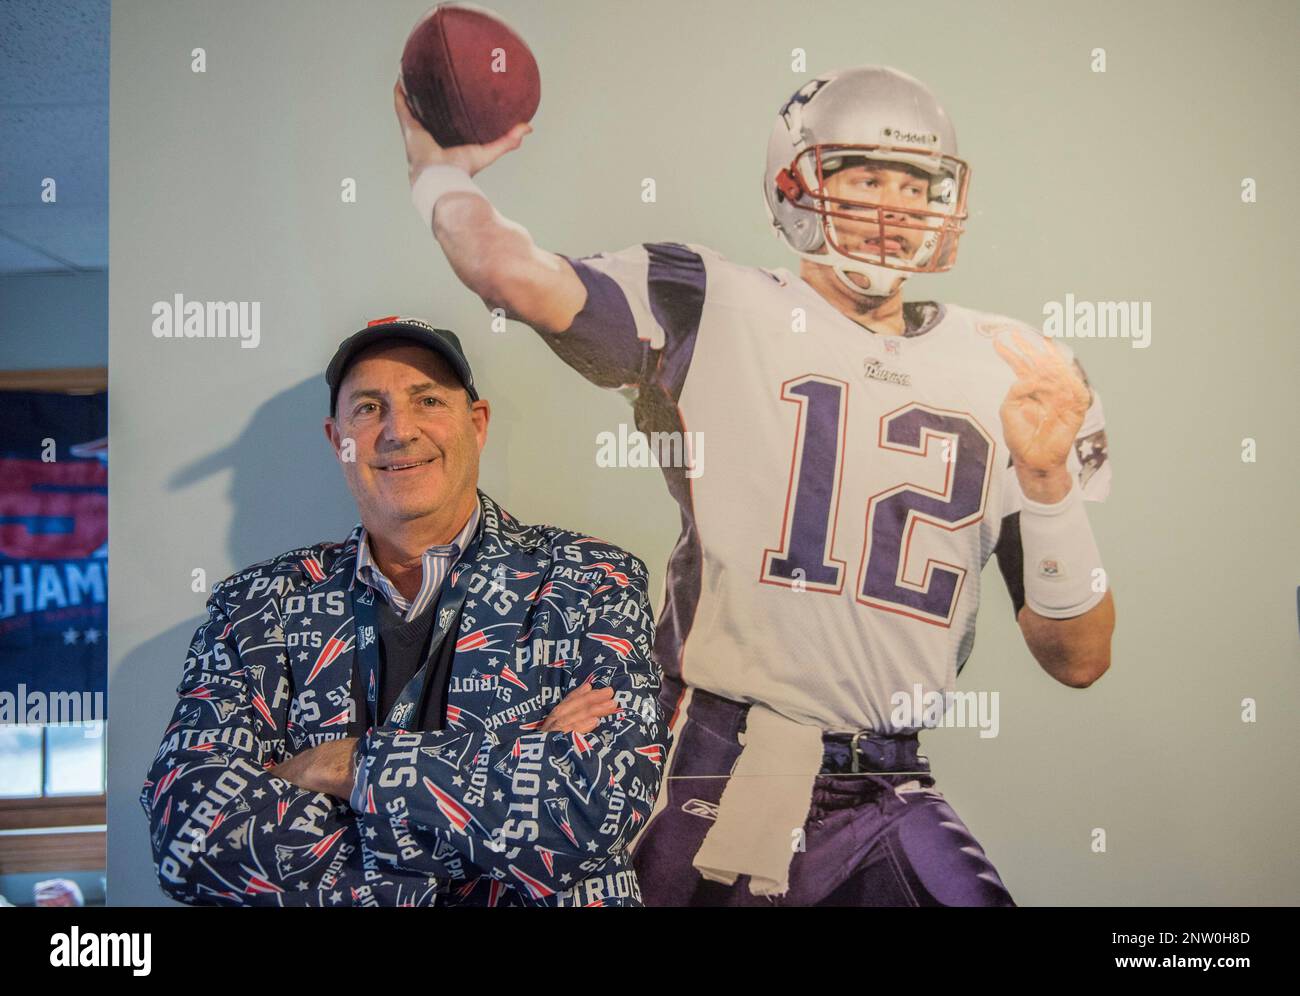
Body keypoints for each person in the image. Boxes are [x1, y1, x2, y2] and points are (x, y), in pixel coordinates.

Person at [392, 64, 1116, 906]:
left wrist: (1047, 478)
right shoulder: (710, 303)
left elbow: (1081, 659)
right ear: (796, 184)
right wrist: (437, 173)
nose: (892, 206)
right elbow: (506, 271)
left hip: (891, 778)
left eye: (915, 183)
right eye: (865, 176)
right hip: (710, 762)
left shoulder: (1016, 368)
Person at [140, 317, 666, 907]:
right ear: (335, 436)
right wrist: (503, 787)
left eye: (429, 400)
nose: (399, 431)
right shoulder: (253, 606)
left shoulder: (591, 581)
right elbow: (187, 837)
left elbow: (589, 811)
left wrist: (341, 767)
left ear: (477, 423)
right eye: (368, 408)